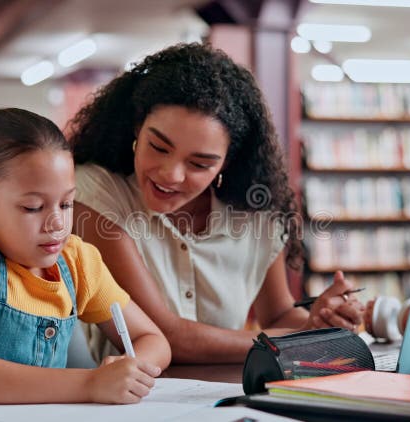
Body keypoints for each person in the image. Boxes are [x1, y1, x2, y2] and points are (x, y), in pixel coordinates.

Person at [67, 43, 364, 364]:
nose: (171, 174)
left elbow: (277, 316)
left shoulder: (256, 215)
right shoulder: (96, 193)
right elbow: (164, 335)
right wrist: (303, 338)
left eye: (199, 164)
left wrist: (321, 323)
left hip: (233, 395)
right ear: (137, 127)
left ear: (226, 163)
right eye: (158, 146)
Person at [0, 108, 171, 406]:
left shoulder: (77, 261)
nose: (57, 224)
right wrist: (90, 383)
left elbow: (155, 341)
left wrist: (128, 370)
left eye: (66, 204)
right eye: (33, 207)